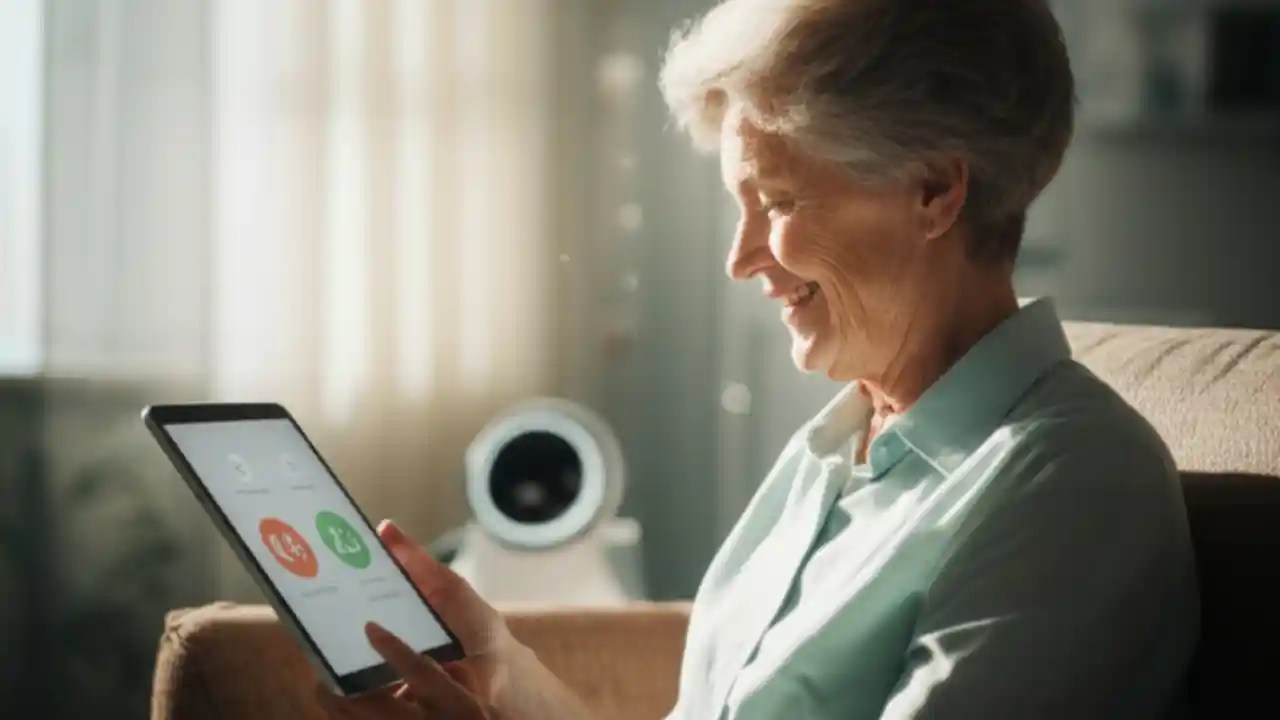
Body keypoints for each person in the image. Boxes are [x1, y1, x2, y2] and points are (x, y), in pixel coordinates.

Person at [319, 0, 1199, 717]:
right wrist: (507, 680)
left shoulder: (1071, 484)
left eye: (775, 201)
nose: (741, 259)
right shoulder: (832, 449)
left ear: (933, 190)